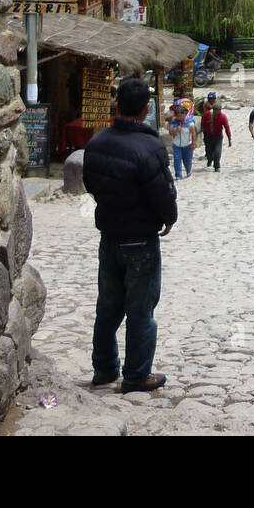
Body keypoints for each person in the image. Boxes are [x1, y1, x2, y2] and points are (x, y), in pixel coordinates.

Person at [82, 77, 177, 394]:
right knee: (140, 310)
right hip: (140, 240)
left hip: (109, 236)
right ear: (146, 110)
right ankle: (136, 375)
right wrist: (168, 218)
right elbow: (163, 192)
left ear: (117, 106)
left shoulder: (96, 143)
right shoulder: (150, 147)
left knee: (108, 306)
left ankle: (104, 369)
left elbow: (91, 185)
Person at [200, 94, 232, 173]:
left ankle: (217, 166)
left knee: (217, 152)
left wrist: (229, 138)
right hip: (208, 135)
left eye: (218, 110)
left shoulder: (223, 117)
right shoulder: (207, 114)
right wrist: (209, 122)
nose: (217, 112)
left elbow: (227, 128)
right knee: (209, 151)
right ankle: (209, 159)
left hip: (218, 136)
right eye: (215, 110)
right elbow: (202, 124)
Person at [169, 105, 196, 180]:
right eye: (178, 116)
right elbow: (170, 133)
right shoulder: (174, 121)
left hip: (187, 144)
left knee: (187, 160)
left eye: (181, 116)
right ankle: (178, 175)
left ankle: (188, 170)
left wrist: (193, 143)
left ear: (184, 114)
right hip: (177, 145)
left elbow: (193, 132)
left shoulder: (189, 121)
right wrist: (176, 130)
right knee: (177, 159)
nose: (179, 118)